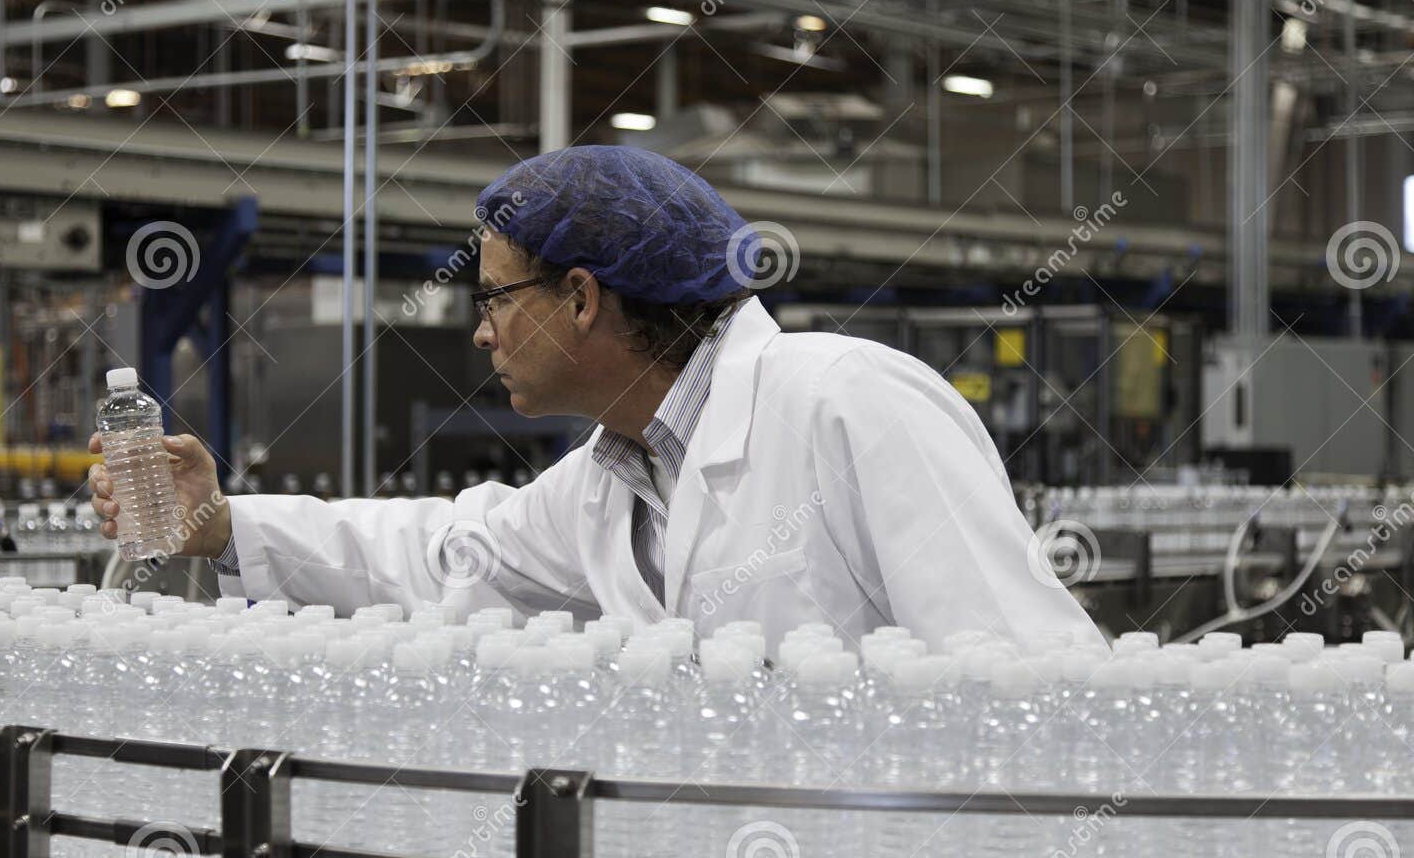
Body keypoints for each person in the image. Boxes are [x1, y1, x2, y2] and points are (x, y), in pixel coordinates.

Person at [89, 146, 1103, 653]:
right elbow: (441, 558)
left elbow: (1024, 676)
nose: (480, 331)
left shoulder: (846, 401)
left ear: (580, 297)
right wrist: (222, 527)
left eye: (494, 297)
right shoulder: (614, 474)